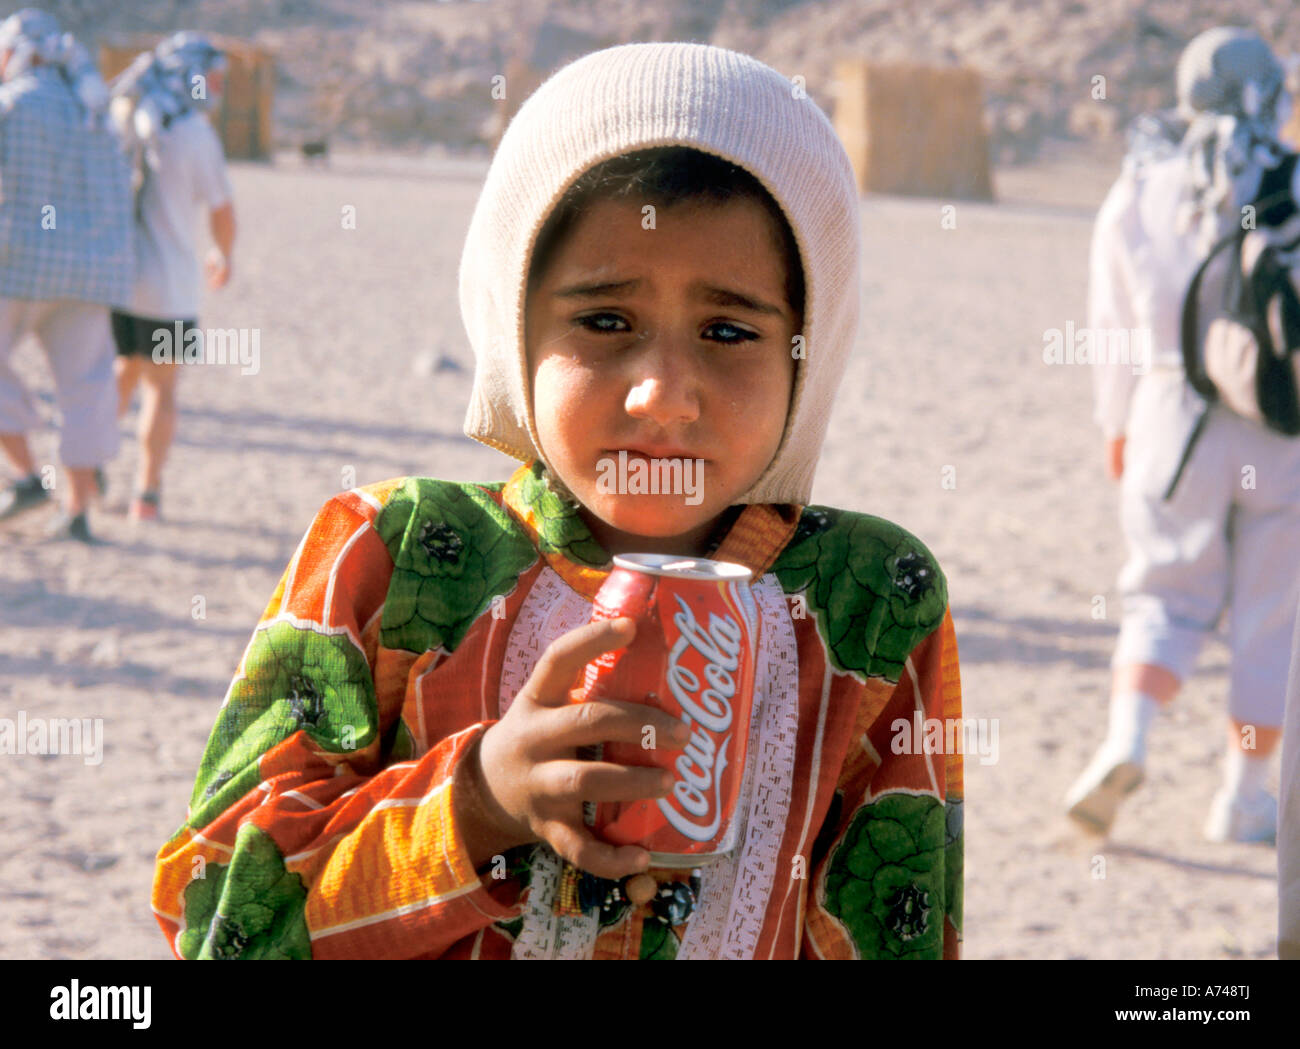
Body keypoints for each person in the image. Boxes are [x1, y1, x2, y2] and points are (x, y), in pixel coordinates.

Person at [152, 42, 964, 960]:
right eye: (605, 321)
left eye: (728, 330)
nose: (663, 393)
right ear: (513, 324)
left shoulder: (872, 600)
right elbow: (211, 919)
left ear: (807, 354)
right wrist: (476, 802)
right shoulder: (388, 555)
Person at [1065, 27, 1300, 843]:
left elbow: (1110, 328)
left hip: (1170, 419)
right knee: (1273, 621)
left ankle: (1124, 741)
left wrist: (1116, 425)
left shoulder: (1139, 188)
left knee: (1163, 596)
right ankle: (1243, 796)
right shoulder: (1295, 184)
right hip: (1282, 429)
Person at [0, 8, 133, 542]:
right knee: (86, 389)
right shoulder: (95, 111)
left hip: (17, 266)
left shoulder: (12, 106)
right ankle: (78, 509)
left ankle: (29, 475)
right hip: (91, 272)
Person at [108, 32, 234, 522]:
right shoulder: (194, 133)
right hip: (171, 288)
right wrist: (223, 253)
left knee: (122, 372)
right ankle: (147, 492)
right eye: (215, 79)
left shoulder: (129, 120)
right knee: (161, 388)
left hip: (121, 280)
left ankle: (87, 468)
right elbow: (222, 210)